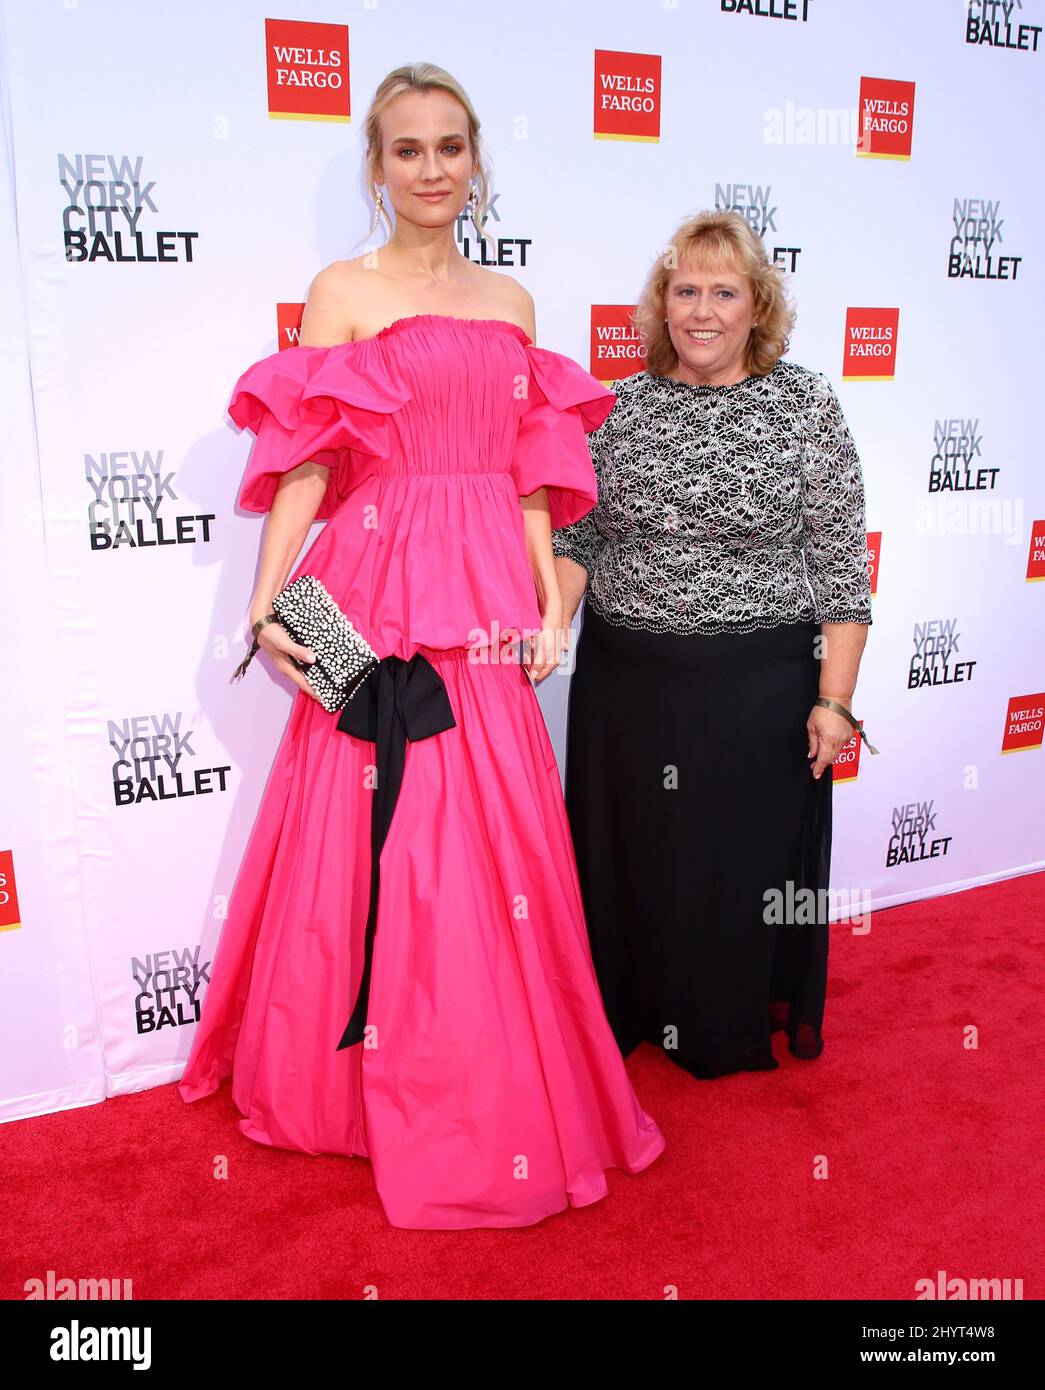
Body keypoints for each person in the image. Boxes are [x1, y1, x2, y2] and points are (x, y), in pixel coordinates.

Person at [177, 63, 665, 1229]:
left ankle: (485, 1075)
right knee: (352, 820)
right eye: (408, 150)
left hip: (488, 584)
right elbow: (306, 461)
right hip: (370, 580)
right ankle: (345, 1084)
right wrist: (265, 602)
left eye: (451, 147)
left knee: (491, 832)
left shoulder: (512, 307)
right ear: (376, 166)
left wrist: (550, 604)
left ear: (477, 161)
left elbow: (532, 479)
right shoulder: (340, 289)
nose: (432, 168)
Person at [552, 209, 875, 1081]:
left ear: (757, 305)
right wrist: (548, 619)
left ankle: (724, 1018)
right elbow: (579, 541)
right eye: (684, 289)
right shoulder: (612, 406)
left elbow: (841, 566)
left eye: (723, 291)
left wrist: (833, 699)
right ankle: (631, 1010)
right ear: (661, 304)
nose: (701, 309)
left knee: (738, 862)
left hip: (757, 688)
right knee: (637, 857)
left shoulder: (803, 402)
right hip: (627, 687)